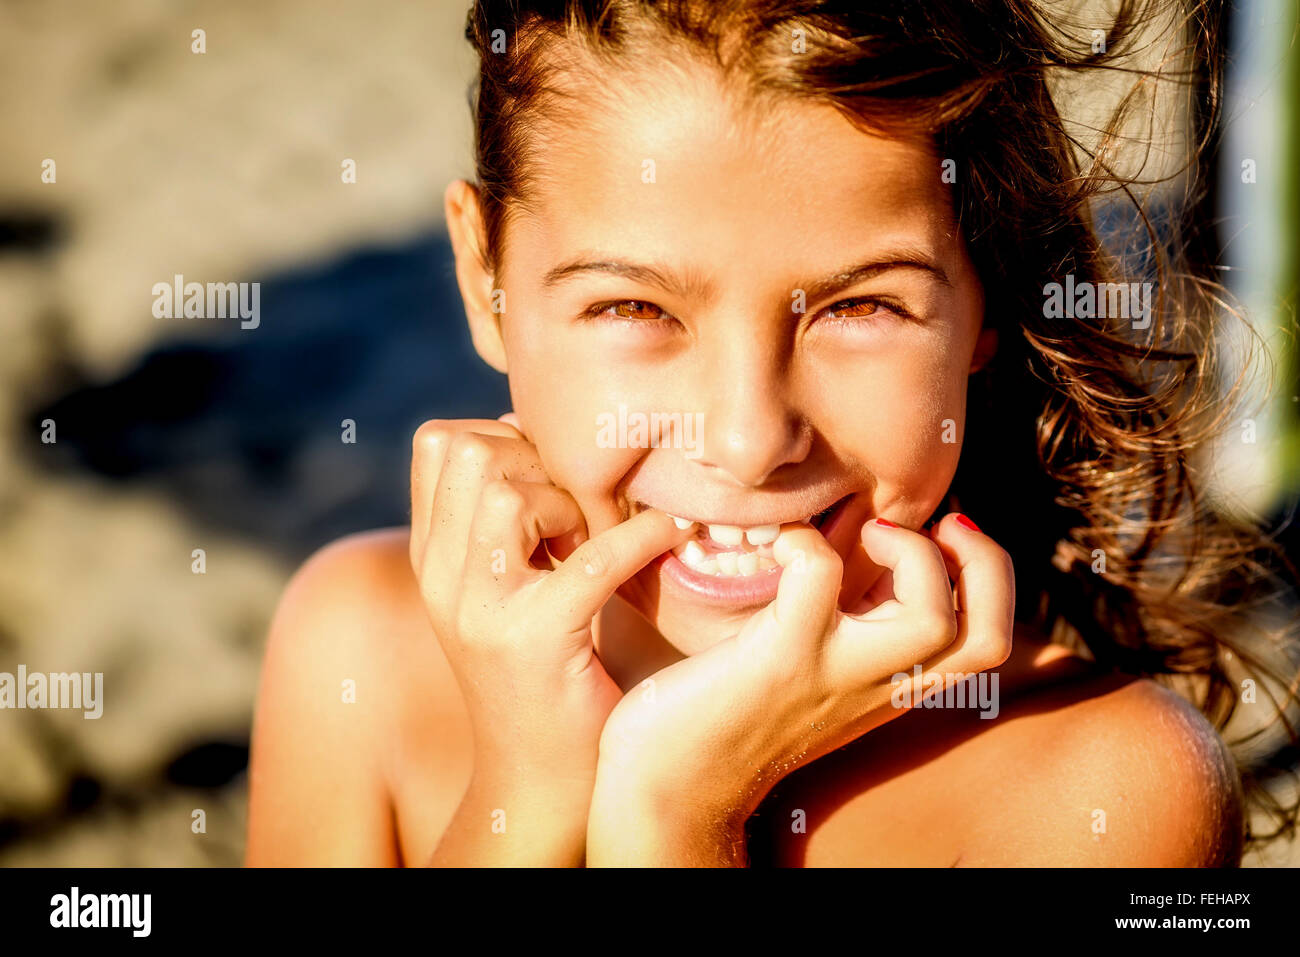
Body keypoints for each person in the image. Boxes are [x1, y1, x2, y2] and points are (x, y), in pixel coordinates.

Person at [246, 0, 1299, 866]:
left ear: (988, 298)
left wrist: (675, 817)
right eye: (635, 309)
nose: (750, 441)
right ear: (487, 281)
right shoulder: (357, 651)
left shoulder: (1097, 786)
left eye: (859, 308)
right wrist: (527, 790)